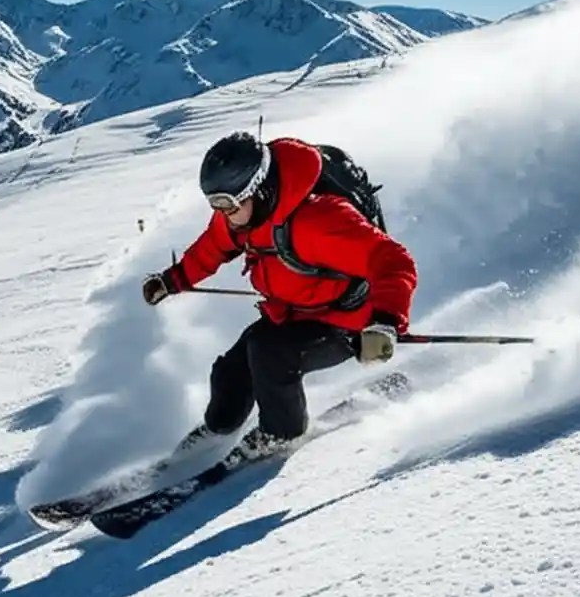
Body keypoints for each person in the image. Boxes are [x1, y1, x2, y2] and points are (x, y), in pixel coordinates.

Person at [142, 131, 417, 455]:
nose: (221, 212)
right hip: (295, 313)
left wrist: (383, 322)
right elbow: (211, 248)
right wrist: (171, 280)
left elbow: (394, 261)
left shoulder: (318, 221)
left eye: (227, 203)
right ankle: (219, 427)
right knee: (232, 369)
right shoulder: (241, 217)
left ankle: (282, 433)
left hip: (347, 323)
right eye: (214, 203)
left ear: (257, 189)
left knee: (269, 354)